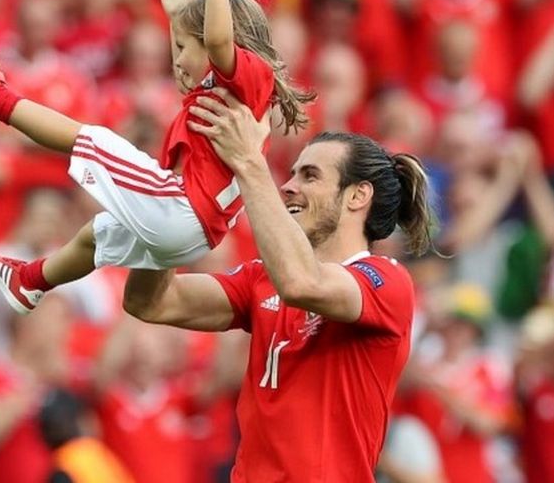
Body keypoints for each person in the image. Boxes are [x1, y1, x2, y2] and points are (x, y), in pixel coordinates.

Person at [0, 0, 314, 314]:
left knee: (90, 138)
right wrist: (178, 18)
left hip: (182, 208)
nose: (176, 57)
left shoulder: (249, 75)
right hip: (191, 229)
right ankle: (30, 281)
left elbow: (216, 42)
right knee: (96, 236)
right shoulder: (227, 92)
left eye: (184, 46)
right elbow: (197, 55)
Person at [122, 88, 435, 481]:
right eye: (292, 173)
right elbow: (151, 303)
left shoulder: (386, 281)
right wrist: (167, 211)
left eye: (310, 175)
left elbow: (301, 282)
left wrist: (250, 164)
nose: (288, 186)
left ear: (357, 196)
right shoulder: (261, 277)